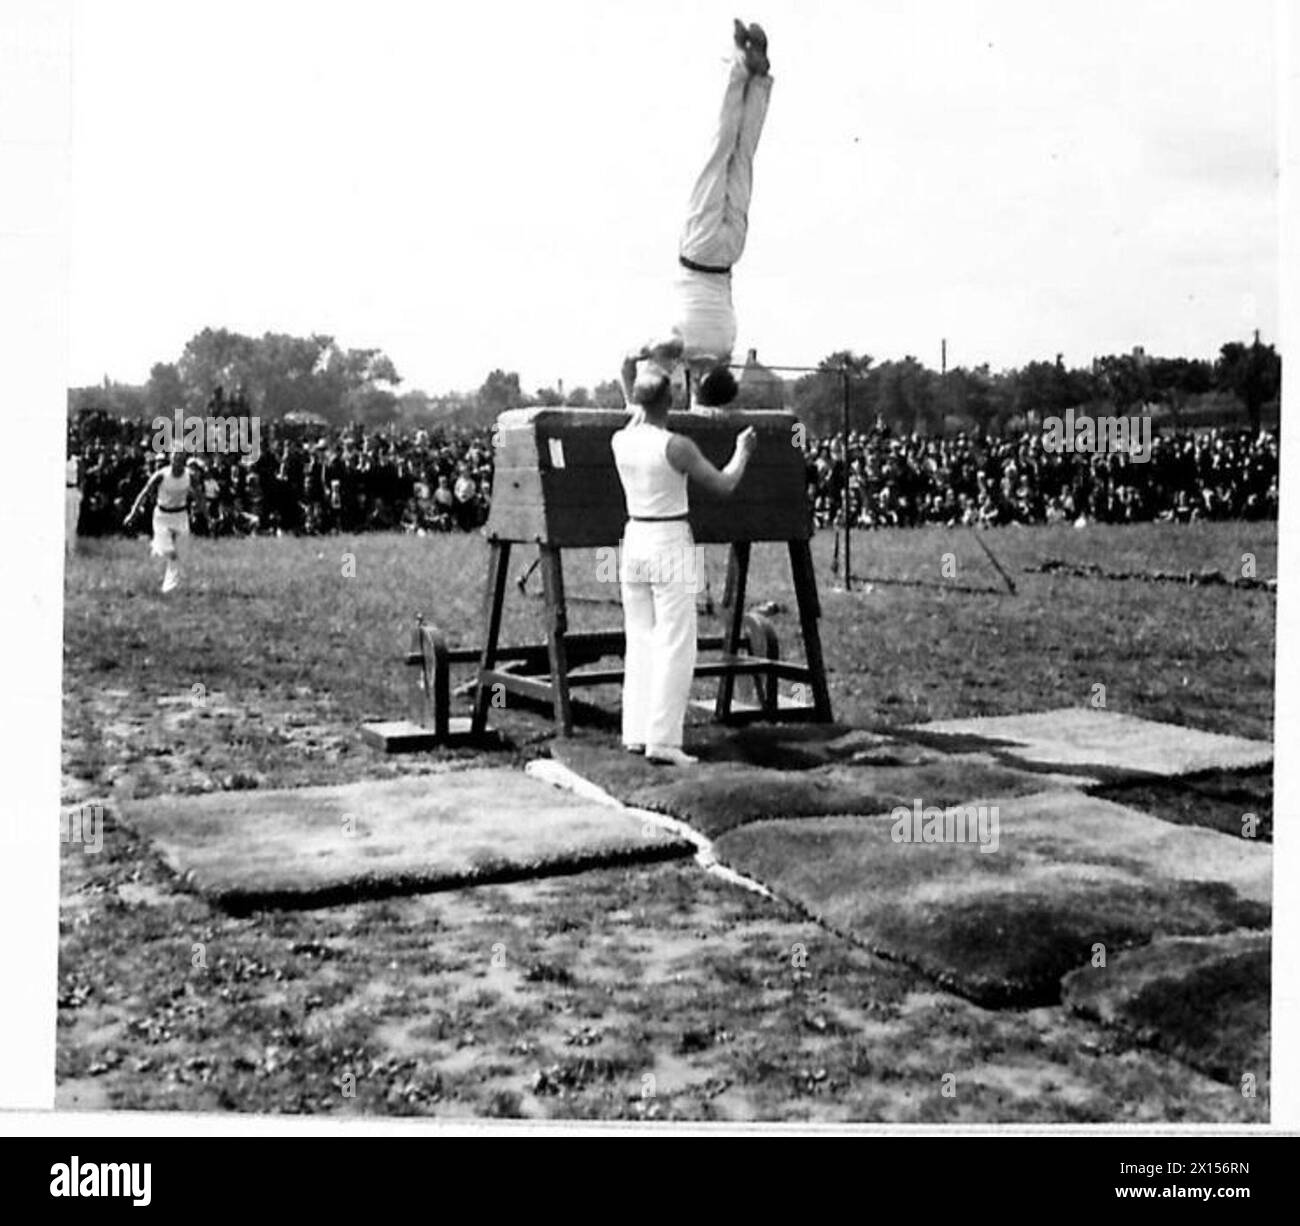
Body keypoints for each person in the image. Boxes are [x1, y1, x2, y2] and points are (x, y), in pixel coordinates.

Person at [611, 371, 757, 765]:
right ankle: (664, 740)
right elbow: (725, 484)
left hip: (634, 538)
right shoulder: (678, 446)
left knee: (640, 638)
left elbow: (636, 410)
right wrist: (743, 450)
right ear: (669, 401)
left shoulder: (620, 440)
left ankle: (636, 732)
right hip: (669, 540)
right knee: (676, 642)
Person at [632, 19, 773, 411]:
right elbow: (637, 365)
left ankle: (758, 84)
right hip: (697, 254)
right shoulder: (678, 344)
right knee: (719, 152)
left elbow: (712, 395)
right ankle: (740, 68)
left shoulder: (727, 343)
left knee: (742, 157)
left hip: (729, 255)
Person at [125, 447, 206, 593]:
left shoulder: (190, 476)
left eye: (181, 458)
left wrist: (207, 516)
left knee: (180, 554)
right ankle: (157, 545)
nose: (178, 461)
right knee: (169, 552)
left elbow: (199, 496)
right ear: (171, 459)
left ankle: (170, 587)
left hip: (180, 516)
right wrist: (133, 513)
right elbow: (144, 493)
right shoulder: (161, 475)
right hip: (162, 517)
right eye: (175, 458)